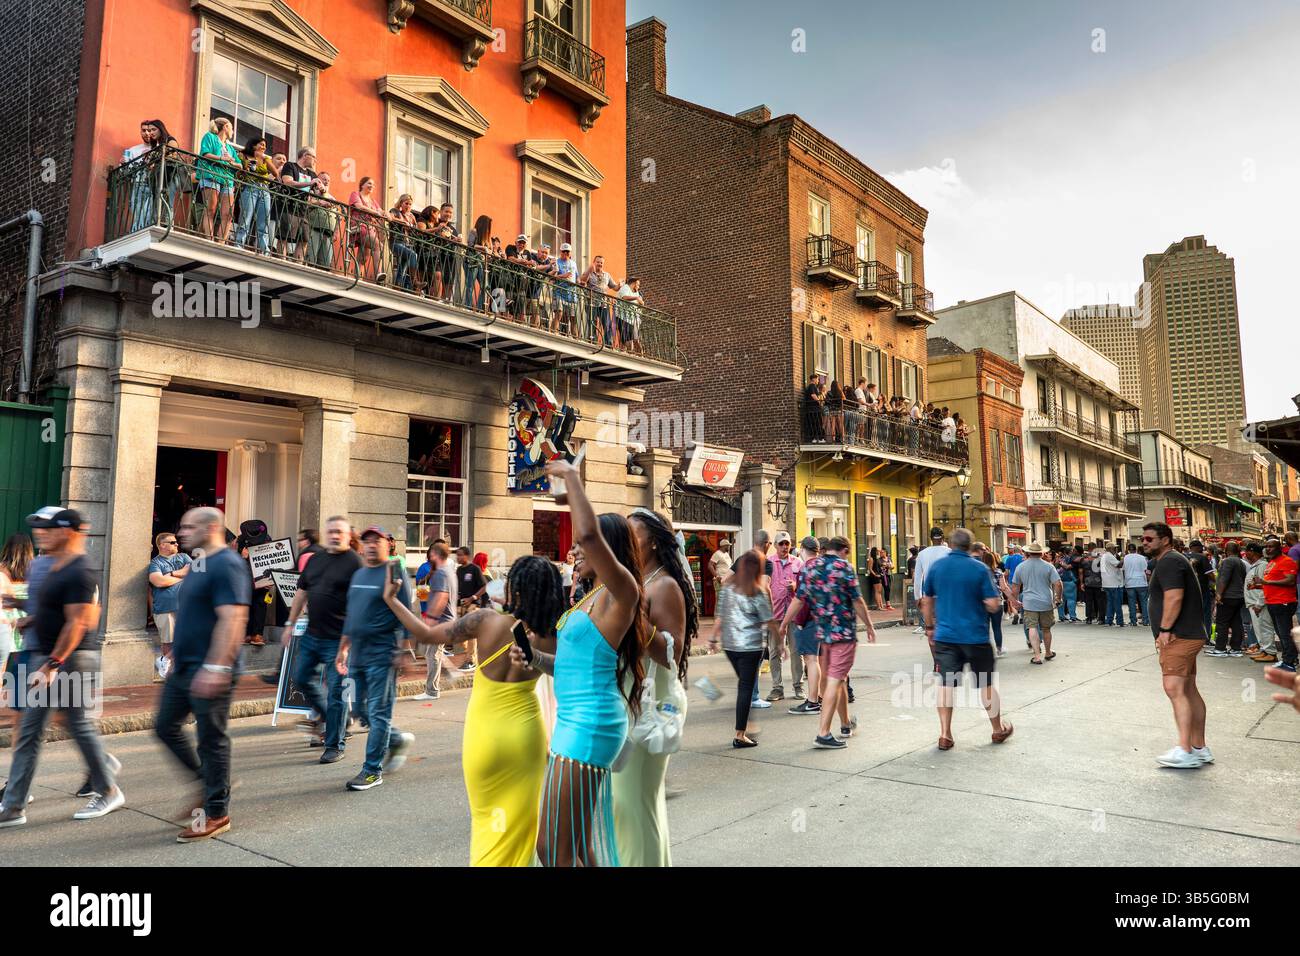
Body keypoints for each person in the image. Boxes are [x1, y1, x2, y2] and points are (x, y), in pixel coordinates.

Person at [383, 554, 564, 866]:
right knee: (519, 830)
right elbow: (571, 672)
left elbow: (426, 636)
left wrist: (392, 601)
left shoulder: (486, 621)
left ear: (516, 589)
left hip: (485, 737)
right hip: (526, 738)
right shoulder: (553, 637)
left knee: (487, 823)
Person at [510, 456, 646, 867]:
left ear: (608, 549)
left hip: (591, 724)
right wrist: (535, 657)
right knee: (579, 845)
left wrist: (571, 477)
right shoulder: (589, 597)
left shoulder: (623, 590)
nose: (574, 550)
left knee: (553, 849)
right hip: (575, 719)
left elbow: (587, 535)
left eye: (585, 546)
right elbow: (572, 665)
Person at [0, 510, 125, 830]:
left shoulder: (79, 572)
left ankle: (109, 789)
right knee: (31, 731)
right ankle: (13, 807)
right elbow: (51, 610)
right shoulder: (49, 566)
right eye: (38, 529)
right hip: (45, 655)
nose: (40, 534)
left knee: (78, 725)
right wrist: (25, 612)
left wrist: (53, 663)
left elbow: (80, 622)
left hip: (70, 659)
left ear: (69, 532)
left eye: (48, 529)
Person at [614, 508, 695, 865]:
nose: (626, 541)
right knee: (627, 805)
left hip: (651, 707)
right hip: (626, 699)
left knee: (632, 805)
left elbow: (671, 653)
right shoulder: (633, 582)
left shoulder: (664, 585)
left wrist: (633, 618)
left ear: (653, 543)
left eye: (632, 534)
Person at [333, 526, 415, 791]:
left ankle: (371, 771)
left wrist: (403, 651)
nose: (370, 545)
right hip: (357, 653)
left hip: (382, 654)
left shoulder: (394, 572)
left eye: (376, 541)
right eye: (366, 541)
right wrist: (343, 647)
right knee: (357, 708)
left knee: (379, 713)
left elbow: (406, 615)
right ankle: (396, 739)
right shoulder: (358, 573)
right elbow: (352, 613)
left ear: (388, 544)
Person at [920, 528, 1014, 751]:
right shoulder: (979, 569)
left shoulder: (937, 567)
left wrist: (930, 627)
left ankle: (945, 734)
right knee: (986, 683)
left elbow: (926, 600)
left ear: (949, 544)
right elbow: (993, 604)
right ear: (971, 547)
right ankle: (997, 728)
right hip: (975, 636)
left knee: (945, 683)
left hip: (945, 635)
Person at [780, 536, 876, 750]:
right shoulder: (845, 568)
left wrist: (784, 623)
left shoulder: (810, 567)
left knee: (839, 679)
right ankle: (823, 733)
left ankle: (845, 724)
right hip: (843, 634)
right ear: (843, 550)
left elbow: (799, 599)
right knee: (835, 680)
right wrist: (869, 625)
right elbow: (857, 600)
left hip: (823, 634)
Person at [284, 517, 362, 763]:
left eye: (339, 531)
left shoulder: (355, 563)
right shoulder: (316, 559)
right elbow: (302, 591)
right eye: (331, 531)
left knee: (336, 693)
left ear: (348, 536)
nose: (335, 535)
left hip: (338, 641)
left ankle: (334, 744)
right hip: (312, 635)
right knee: (300, 677)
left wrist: (348, 644)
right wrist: (290, 623)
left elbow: (359, 605)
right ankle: (335, 718)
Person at [1140, 522, 1212, 768]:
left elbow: (1174, 596)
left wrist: (1165, 629)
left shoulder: (1169, 561)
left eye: (1150, 539)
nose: (1145, 542)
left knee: (1174, 689)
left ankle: (1185, 750)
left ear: (1166, 539)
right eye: (1143, 539)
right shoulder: (1172, 560)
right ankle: (1200, 748)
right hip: (1188, 633)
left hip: (1179, 635)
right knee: (1189, 689)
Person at [710, 551, 772, 749]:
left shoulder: (728, 589)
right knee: (746, 687)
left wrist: (712, 637)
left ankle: (746, 723)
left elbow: (720, 616)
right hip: (751, 647)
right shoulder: (757, 590)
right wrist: (779, 643)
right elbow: (768, 620)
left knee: (744, 685)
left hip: (730, 647)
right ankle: (740, 734)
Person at [411, 541, 454, 700]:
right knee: (432, 652)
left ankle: (432, 690)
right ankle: (446, 674)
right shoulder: (425, 568)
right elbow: (421, 594)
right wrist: (428, 577)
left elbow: (443, 597)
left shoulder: (444, 571)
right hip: (431, 614)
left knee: (432, 653)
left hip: (438, 619)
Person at [764, 531, 803, 702]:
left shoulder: (798, 563)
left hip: (794, 614)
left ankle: (798, 686)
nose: (785, 547)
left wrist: (794, 585)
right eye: (781, 544)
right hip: (776, 614)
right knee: (774, 651)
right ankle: (777, 688)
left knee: (796, 651)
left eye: (787, 543)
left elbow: (805, 587)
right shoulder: (769, 563)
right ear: (775, 545)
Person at [148, 531, 192, 682]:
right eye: (173, 542)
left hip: (186, 606)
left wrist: (169, 575)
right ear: (162, 545)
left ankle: (171, 663)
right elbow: (158, 582)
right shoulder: (155, 563)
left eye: (176, 542)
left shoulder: (185, 557)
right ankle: (170, 673)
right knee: (168, 641)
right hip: (164, 606)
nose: (177, 544)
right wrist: (180, 574)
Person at [1012, 542, 1061, 665]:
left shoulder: (1021, 567)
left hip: (1029, 602)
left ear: (1028, 553)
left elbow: (1015, 586)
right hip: (1046, 601)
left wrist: (1015, 600)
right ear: (1042, 553)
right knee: (1046, 628)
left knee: (1032, 627)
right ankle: (1048, 652)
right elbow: (1058, 584)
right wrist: (1058, 598)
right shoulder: (1049, 566)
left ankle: (1037, 656)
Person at [196, 117, 242, 242]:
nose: (233, 131)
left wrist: (231, 162)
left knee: (228, 214)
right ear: (225, 127)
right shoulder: (210, 137)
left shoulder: (230, 148)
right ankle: (209, 239)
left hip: (227, 179)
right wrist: (222, 158)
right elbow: (205, 154)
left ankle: (221, 242)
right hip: (211, 175)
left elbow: (240, 165)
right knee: (211, 209)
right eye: (231, 127)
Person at [1256, 538, 1298, 673]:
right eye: (1266, 546)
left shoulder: (1287, 561)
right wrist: (1258, 584)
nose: (1268, 549)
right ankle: (1287, 659)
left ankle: (1289, 662)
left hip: (1283, 602)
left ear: (1279, 547)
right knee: (1280, 633)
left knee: (1285, 633)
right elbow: (1270, 581)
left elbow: (1290, 580)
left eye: (1271, 546)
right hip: (1272, 602)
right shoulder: (1272, 563)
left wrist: (1267, 583)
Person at [231, 137, 279, 254]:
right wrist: (246, 168)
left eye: (265, 145)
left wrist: (264, 159)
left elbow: (275, 173)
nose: (264, 147)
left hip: (264, 190)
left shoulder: (265, 159)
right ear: (253, 145)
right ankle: (239, 243)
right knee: (246, 217)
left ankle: (264, 248)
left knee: (264, 221)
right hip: (249, 187)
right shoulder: (243, 155)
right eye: (261, 144)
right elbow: (237, 171)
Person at [1208, 541, 1248, 658]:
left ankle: (1220, 648)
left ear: (1226, 549)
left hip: (1229, 596)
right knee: (1236, 622)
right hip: (1238, 596)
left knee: (1222, 622)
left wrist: (1219, 594)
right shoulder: (1240, 562)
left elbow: (1223, 578)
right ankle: (1236, 648)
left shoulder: (1228, 561)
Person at [453, 546, 487, 671]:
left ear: (466, 556)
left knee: (471, 633)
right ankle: (474, 652)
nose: (458, 557)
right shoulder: (459, 570)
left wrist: (472, 597)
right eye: (457, 555)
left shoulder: (475, 569)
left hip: (473, 605)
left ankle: (471, 660)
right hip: (460, 605)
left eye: (460, 555)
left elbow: (484, 587)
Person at [1243, 542, 1279, 663]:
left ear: (1252, 552)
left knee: (1265, 628)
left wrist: (1259, 603)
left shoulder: (1262, 565)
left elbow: (1265, 586)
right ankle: (1265, 650)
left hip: (1259, 604)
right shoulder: (1255, 566)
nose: (1245, 554)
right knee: (1260, 629)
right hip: (1254, 603)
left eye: (1247, 551)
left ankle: (1270, 652)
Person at [911, 527, 950, 634]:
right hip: (947, 594)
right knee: (945, 624)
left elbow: (918, 578)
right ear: (943, 538)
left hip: (929, 595)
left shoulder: (922, 554)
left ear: (930, 538)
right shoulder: (950, 552)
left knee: (930, 628)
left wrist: (917, 597)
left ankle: (935, 646)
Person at [348, 177, 388, 283]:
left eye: (373, 184)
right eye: (369, 183)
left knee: (364, 257)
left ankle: (357, 279)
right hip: (359, 227)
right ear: (362, 185)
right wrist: (375, 213)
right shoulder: (355, 194)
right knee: (377, 245)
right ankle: (378, 273)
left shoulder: (372, 201)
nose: (372, 186)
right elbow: (359, 206)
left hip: (370, 229)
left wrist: (387, 214)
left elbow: (380, 211)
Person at [579, 254, 621, 348]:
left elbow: (614, 287)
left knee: (607, 324)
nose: (600, 264)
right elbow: (582, 281)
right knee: (592, 322)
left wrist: (620, 285)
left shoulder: (607, 275)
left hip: (603, 303)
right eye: (598, 262)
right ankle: (592, 340)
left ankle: (608, 343)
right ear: (594, 262)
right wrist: (589, 271)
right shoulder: (590, 273)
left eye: (601, 262)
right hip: (591, 302)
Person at [980, 549, 1014, 656]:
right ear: (994, 560)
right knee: (996, 627)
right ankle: (999, 649)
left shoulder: (980, 571)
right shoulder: (998, 572)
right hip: (997, 602)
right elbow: (1004, 588)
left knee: (984, 627)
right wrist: (1014, 600)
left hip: (983, 602)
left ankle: (984, 650)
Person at [1185, 540, 1217, 640]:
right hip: (1201, 589)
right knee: (1205, 613)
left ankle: (1191, 635)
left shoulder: (1184, 556)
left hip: (1187, 589)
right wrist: (1217, 582)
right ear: (1198, 547)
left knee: (1190, 613)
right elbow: (1209, 574)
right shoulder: (1202, 557)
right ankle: (1205, 637)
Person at [389, 194, 421, 291]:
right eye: (406, 203)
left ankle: (397, 286)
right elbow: (390, 217)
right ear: (401, 203)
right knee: (412, 255)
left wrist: (412, 227)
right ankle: (414, 282)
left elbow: (416, 230)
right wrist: (403, 222)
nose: (408, 206)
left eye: (410, 204)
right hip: (396, 242)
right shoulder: (395, 211)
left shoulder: (411, 216)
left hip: (407, 243)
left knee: (402, 268)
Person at [1096, 545, 1125, 626]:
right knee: (1117, 603)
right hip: (1114, 583)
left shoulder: (1104, 556)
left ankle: (1109, 620)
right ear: (1110, 548)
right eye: (1114, 548)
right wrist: (1123, 558)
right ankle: (1120, 621)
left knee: (1110, 603)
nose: (1116, 549)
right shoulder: (1109, 556)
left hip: (1106, 583)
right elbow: (1119, 565)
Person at [1055, 548, 1079, 623]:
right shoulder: (1071, 559)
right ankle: (1072, 616)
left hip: (1060, 580)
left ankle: (1061, 616)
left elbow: (1055, 568)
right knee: (1071, 599)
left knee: (1061, 599)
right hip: (1070, 581)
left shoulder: (1059, 560)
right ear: (1071, 552)